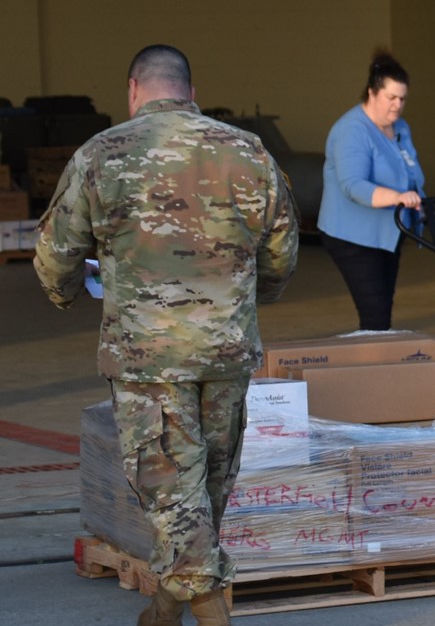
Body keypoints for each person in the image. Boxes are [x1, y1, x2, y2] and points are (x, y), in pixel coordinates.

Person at [34, 44, 299, 626]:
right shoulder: (246, 151)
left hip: (148, 358)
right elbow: (282, 250)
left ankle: (207, 615)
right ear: (189, 89)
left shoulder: (101, 155)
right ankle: (163, 610)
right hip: (226, 351)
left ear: (133, 88)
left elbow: (55, 256)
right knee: (207, 488)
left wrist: (68, 294)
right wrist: (250, 301)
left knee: (173, 495)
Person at [318, 50, 424, 331]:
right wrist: (398, 198)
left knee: (382, 312)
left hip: (388, 234)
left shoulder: (400, 127)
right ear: (372, 93)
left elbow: (411, 178)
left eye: (403, 98)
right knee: (375, 314)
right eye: (391, 97)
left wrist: (428, 214)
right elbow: (353, 185)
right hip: (353, 237)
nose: (398, 105)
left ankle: (376, 356)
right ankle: (372, 368)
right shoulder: (352, 130)